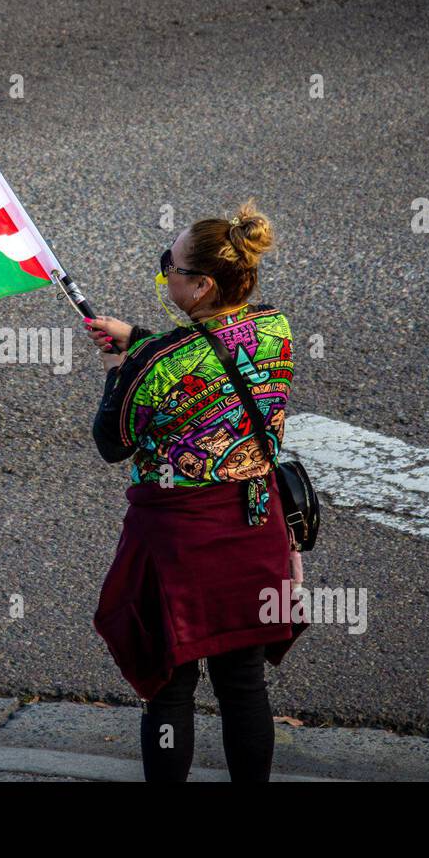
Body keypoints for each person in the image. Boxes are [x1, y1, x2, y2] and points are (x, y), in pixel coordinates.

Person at [85, 199, 306, 782]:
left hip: (177, 542)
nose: (164, 274)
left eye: (171, 267)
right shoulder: (274, 327)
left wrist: (118, 371)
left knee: (169, 687)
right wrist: (138, 340)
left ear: (203, 285)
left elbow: (113, 442)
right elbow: (213, 352)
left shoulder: (154, 363)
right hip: (254, 528)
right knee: (243, 683)